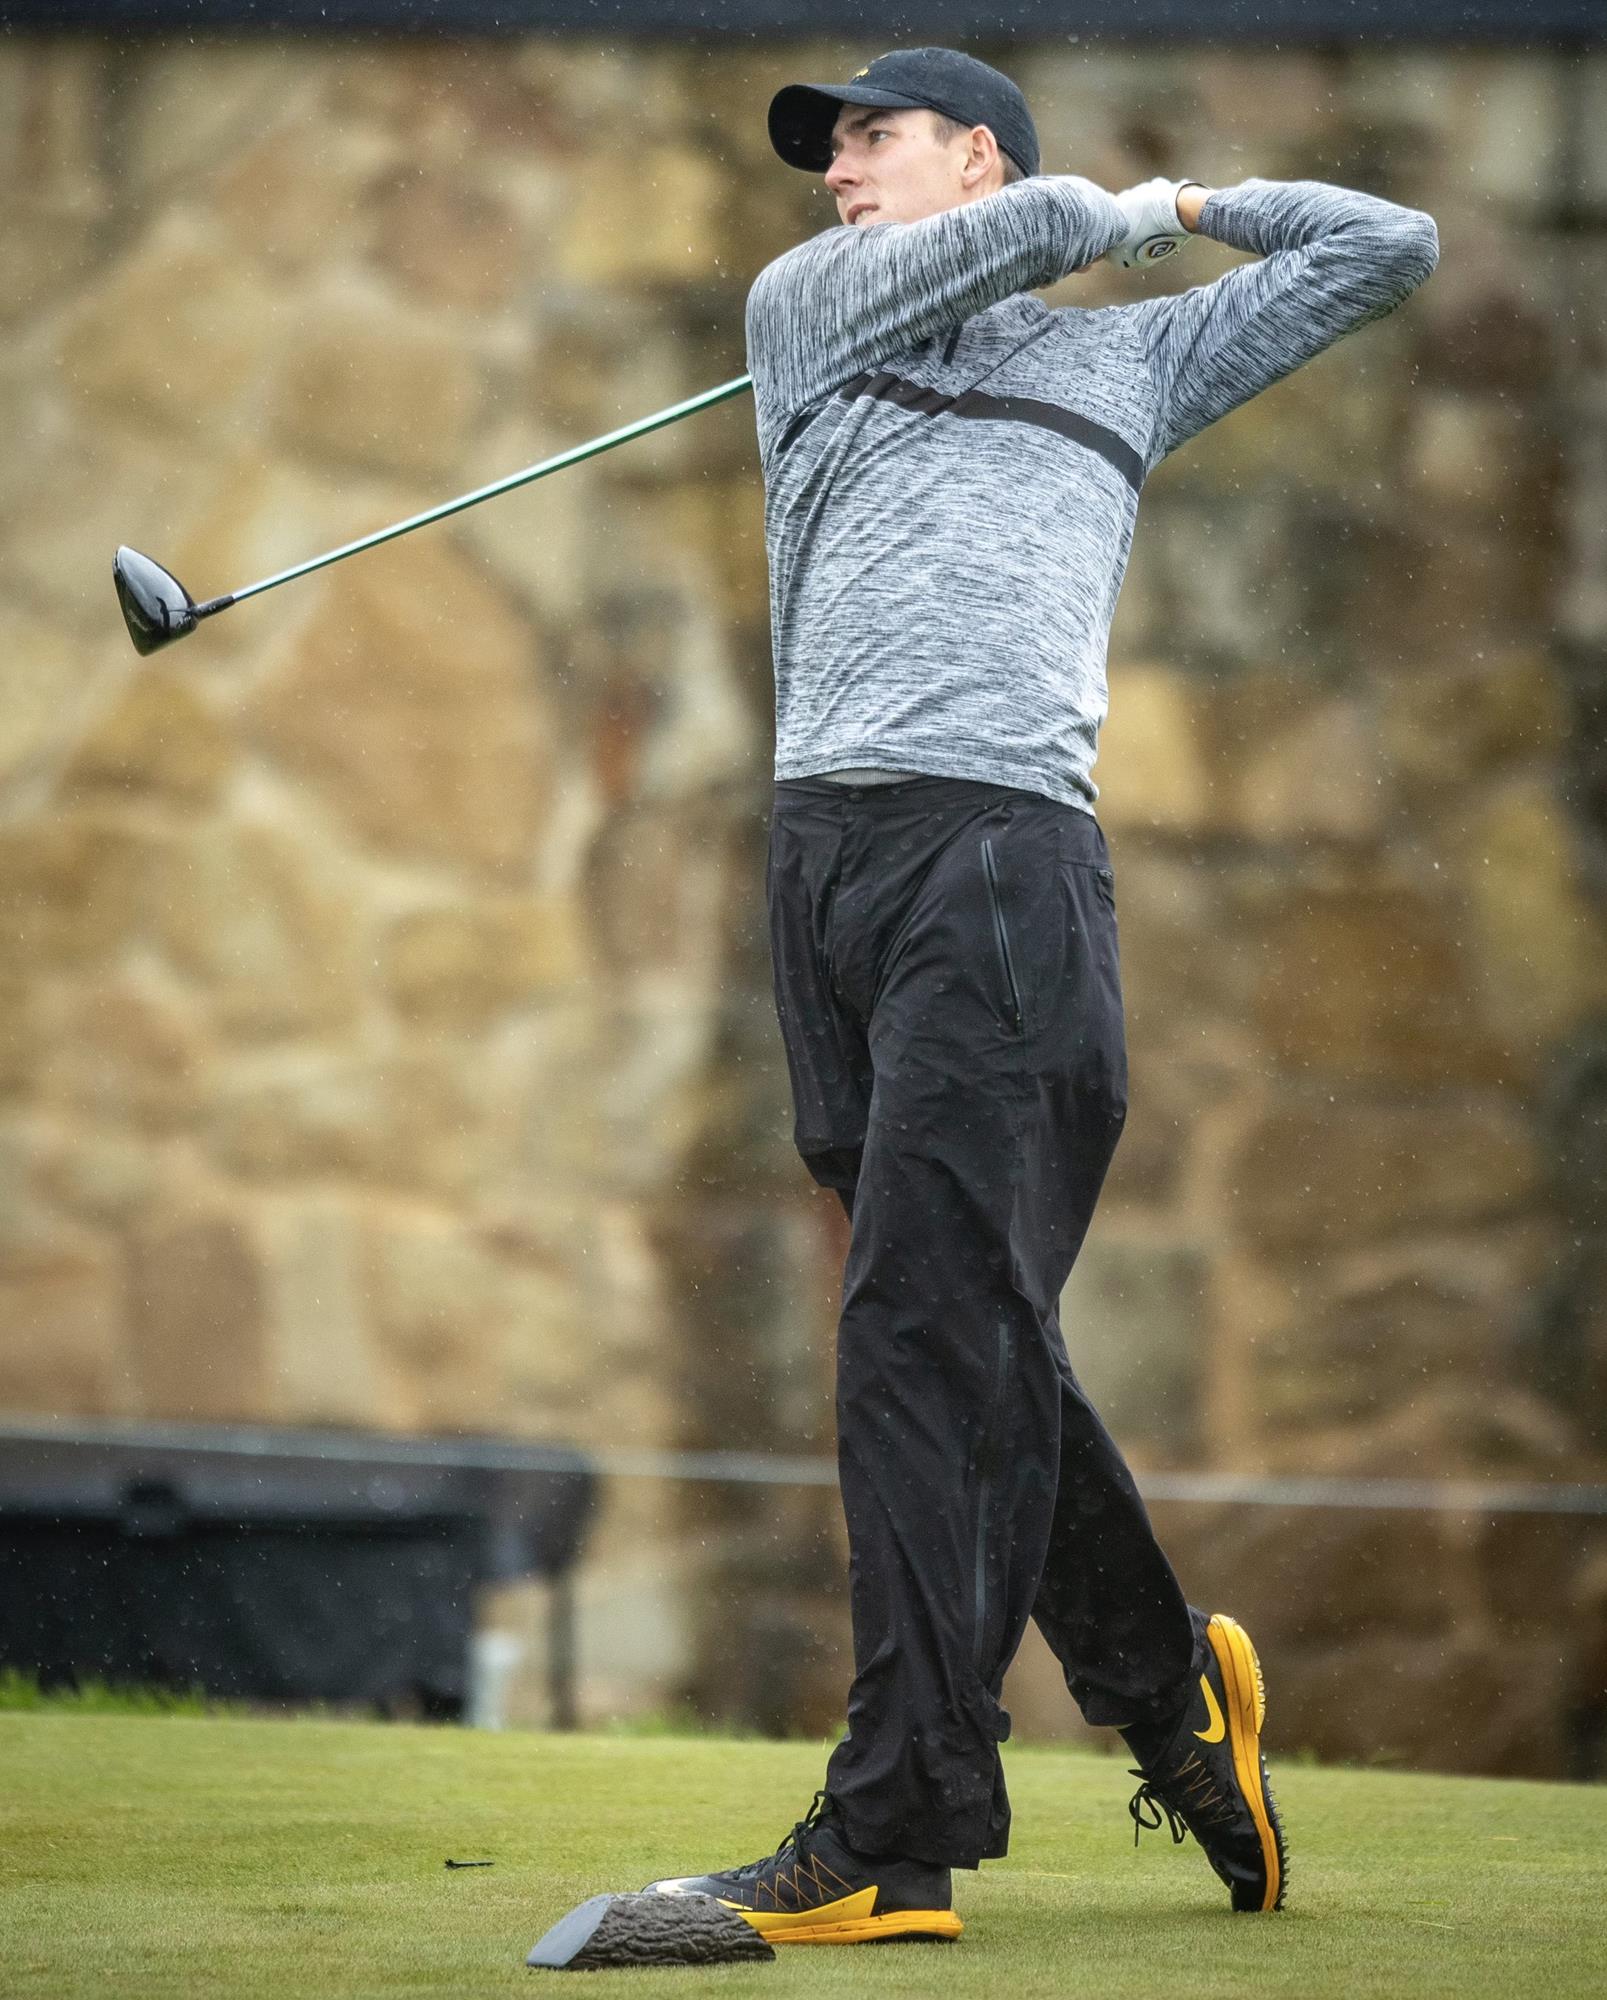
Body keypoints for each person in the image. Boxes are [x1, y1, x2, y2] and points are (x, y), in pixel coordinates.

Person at [644, 44, 1439, 1944]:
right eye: (822, 149)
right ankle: (1174, 1698)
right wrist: (1111, 214)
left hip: (1000, 862)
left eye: (871, 138)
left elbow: (1384, 244)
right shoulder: (803, 311)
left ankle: (895, 1828)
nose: (833, 171)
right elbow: (1055, 231)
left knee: (919, 1332)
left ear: (979, 151)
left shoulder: (1129, 363)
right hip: (823, 865)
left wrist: (1193, 206)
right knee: (960, 1313)